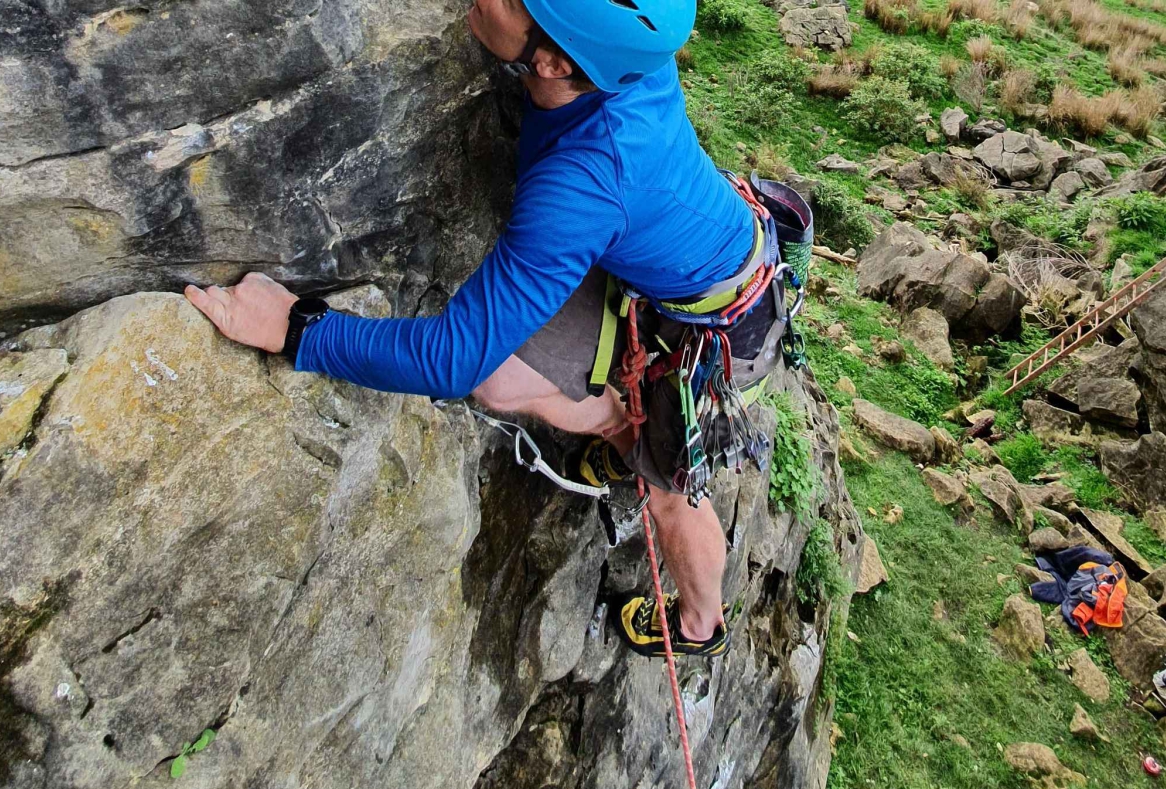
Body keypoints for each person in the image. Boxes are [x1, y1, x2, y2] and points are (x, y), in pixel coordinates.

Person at [184, 0, 790, 659]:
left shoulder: (581, 183)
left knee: (670, 487)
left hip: (723, 322)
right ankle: (620, 427)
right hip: (660, 257)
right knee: (506, 382)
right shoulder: (617, 54)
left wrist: (297, 329)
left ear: (554, 60)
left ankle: (699, 623)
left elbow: (451, 360)